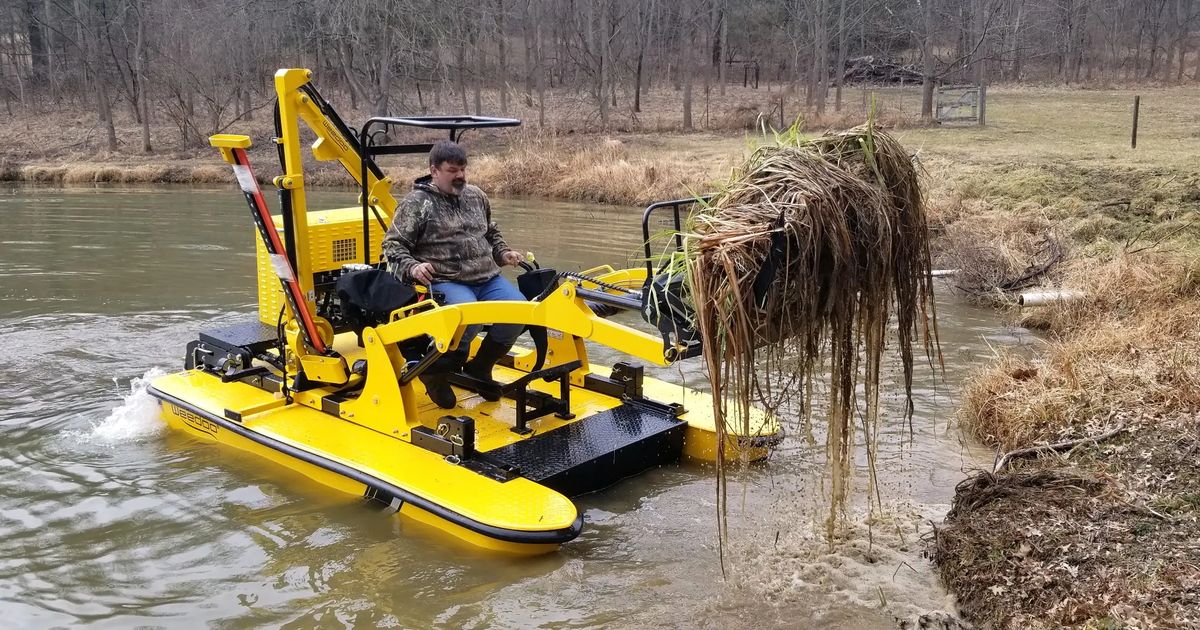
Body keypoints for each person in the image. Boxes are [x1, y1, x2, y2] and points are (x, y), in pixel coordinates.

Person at [382, 140, 526, 409]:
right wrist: (413, 266)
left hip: (486, 277)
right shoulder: (416, 204)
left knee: (519, 311)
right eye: (452, 170)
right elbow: (393, 245)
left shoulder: (476, 196)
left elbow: (491, 233)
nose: (460, 175)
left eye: (463, 169)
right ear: (434, 170)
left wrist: (503, 253)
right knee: (466, 316)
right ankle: (434, 373)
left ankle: (480, 368)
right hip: (446, 279)